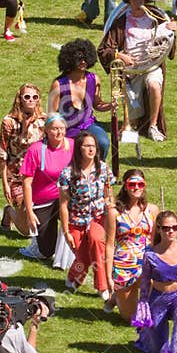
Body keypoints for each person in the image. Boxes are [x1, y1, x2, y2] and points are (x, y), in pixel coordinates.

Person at [98, 0, 177, 143]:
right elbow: (104, 49)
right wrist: (121, 56)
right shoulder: (121, 21)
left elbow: (167, 42)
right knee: (132, 108)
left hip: (151, 66)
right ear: (128, 0)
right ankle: (129, 124)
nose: (138, 3)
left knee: (155, 85)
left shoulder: (157, 17)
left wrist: (171, 30)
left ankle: (153, 126)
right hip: (129, 70)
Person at [58, 130, 115, 303]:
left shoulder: (103, 169)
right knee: (83, 256)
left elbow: (109, 193)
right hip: (76, 220)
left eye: (93, 146)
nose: (91, 149)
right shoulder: (67, 174)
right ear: (79, 149)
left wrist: (110, 207)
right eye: (87, 146)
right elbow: (63, 205)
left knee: (97, 242)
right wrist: (66, 231)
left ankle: (102, 286)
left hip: (97, 218)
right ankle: (75, 276)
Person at [132, 210, 177, 353]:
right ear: (159, 229)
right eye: (166, 228)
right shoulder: (150, 255)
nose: (171, 231)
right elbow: (145, 282)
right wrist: (143, 306)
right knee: (156, 350)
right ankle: (149, 337)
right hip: (158, 298)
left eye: (175, 227)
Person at [18, 114, 73, 261]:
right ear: (46, 130)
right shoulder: (35, 150)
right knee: (47, 252)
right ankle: (14, 215)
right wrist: (29, 212)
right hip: (44, 201)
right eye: (55, 129)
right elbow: (27, 183)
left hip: (66, 198)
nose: (59, 132)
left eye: (62, 128)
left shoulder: (73, 146)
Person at [106, 169, 158, 321]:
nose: (136, 187)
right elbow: (109, 245)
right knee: (131, 319)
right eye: (132, 184)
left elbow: (155, 242)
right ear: (125, 186)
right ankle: (117, 296)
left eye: (140, 184)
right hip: (123, 266)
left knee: (148, 317)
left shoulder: (152, 210)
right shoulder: (114, 212)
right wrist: (109, 276)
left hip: (146, 264)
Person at [48, 38, 112, 160]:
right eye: (79, 58)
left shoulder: (94, 79)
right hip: (67, 128)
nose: (83, 61)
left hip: (88, 124)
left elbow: (97, 104)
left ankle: (98, 169)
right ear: (70, 60)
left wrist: (111, 105)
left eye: (85, 58)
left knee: (103, 142)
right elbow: (52, 114)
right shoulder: (58, 84)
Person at [0, 84, 45, 233]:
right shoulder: (9, 122)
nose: (31, 100)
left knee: (38, 220)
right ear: (20, 100)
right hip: (16, 175)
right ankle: (9, 212)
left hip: (37, 175)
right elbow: (2, 153)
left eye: (34, 97)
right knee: (27, 231)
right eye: (27, 97)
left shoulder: (44, 121)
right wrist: (5, 183)